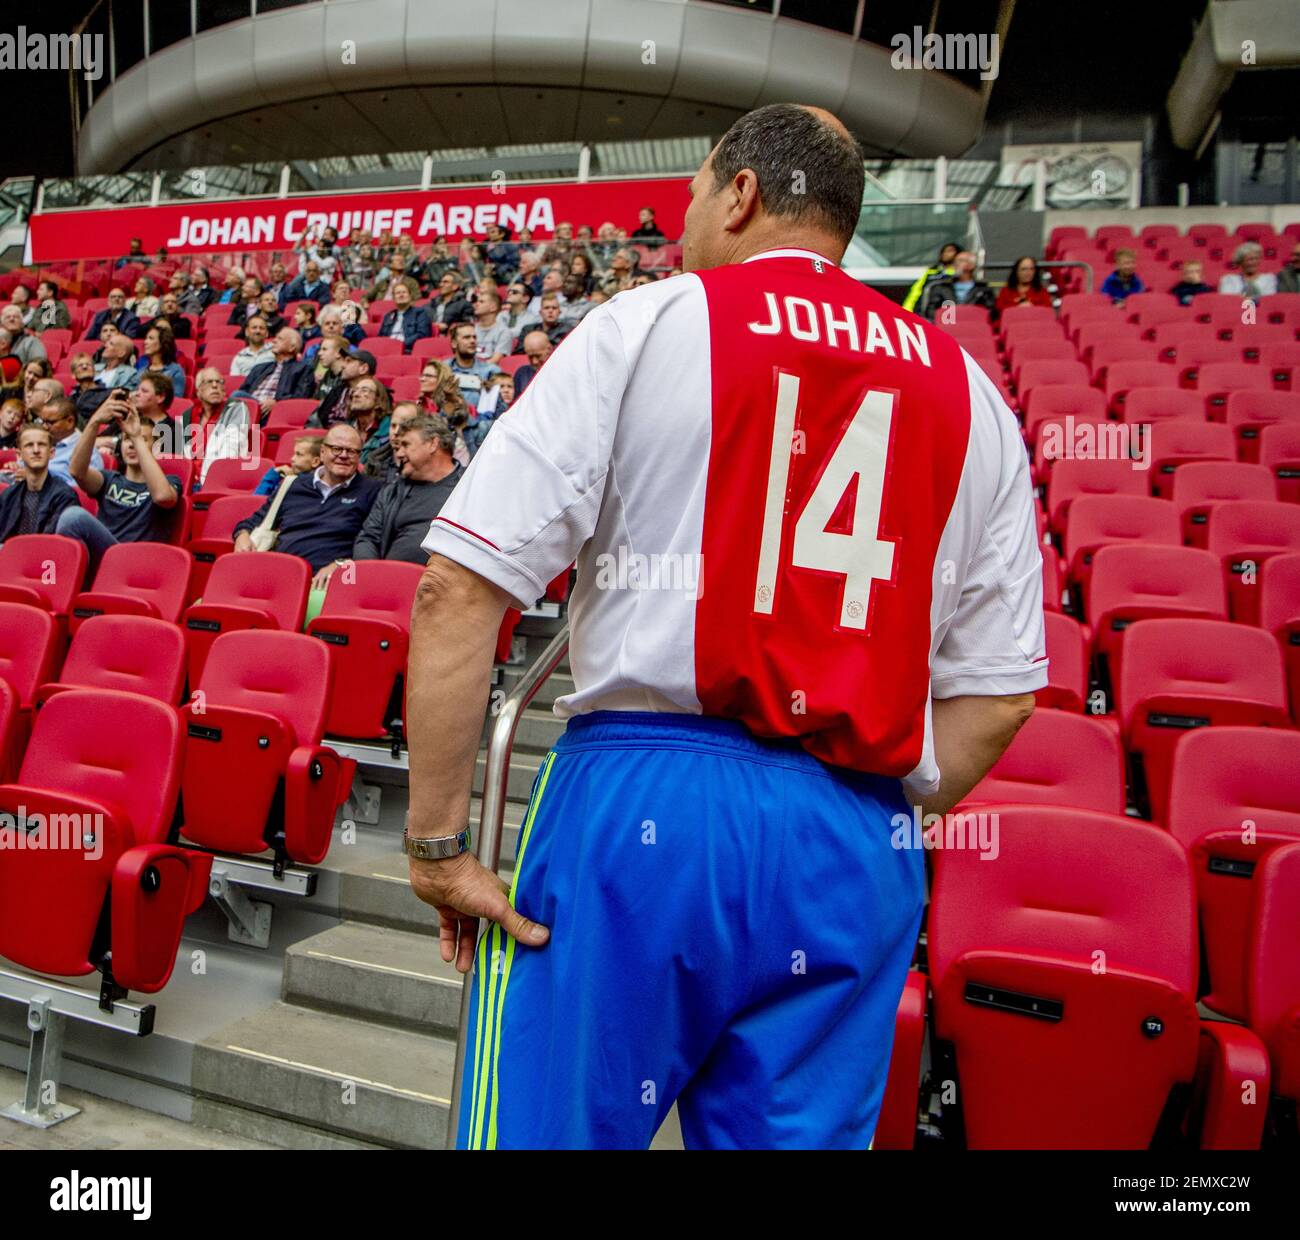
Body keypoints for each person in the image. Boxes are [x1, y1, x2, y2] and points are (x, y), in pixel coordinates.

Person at [405, 102, 1043, 1152]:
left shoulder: (647, 321)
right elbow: (1004, 690)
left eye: (695, 192)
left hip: (646, 797)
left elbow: (458, 585)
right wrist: (862, 812)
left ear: (741, 192)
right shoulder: (973, 393)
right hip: (852, 825)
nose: (685, 218)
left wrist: (436, 841)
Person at [316, 413, 463, 592]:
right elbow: (368, 538)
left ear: (433, 444)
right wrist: (372, 576)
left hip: (444, 593)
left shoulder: (469, 488)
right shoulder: (392, 491)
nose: (399, 454)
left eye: (406, 445)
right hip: (385, 590)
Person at [231, 423, 381, 572]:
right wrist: (242, 535)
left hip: (329, 580)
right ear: (322, 452)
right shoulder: (292, 485)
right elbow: (253, 522)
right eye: (336, 449)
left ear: (359, 457)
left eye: (351, 451)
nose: (343, 455)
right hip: (279, 572)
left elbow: (374, 543)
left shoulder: (372, 490)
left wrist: (342, 564)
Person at [58, 396, 182, 570]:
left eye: (141, 440)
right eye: (126, 439)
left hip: (136, 563)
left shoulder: (171, 481)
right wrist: (94, 422)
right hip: (104, 555)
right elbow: (77, 472)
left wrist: (135, 435)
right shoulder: (109, 479)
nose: (131, 445)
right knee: (69, 517)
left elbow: (162, 497)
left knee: (74, 517)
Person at [0, 423, 80, 539]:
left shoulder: (65, 496)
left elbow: (54, 543)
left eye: (41, 445)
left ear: (51, 453)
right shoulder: (8, 495)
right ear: (19, 455)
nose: (36, 450)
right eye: (29, 445)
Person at [236, 328, 315, 417]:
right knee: (237, 397)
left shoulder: (304, 369)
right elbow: (244, 390)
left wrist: (277, 403)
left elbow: (301, 397)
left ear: (291, 347)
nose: (274, 341)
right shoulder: (259, 368)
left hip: (274, 412)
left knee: (237, 397)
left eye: (280, 339)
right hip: (250, 409)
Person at [920, 250, 997, 320]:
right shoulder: (940, 287)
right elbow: (931, 313)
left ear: (971, 265)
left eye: (960, 261)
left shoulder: (983, 290)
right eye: (955, 261)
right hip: (946, 329)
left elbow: (990, 313)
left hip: (973, 330)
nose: (955, 264)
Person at [446, 323, 501, 409]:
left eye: (474, 337)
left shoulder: (491, 371)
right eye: (467, 337)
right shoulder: (443, 369)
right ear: (454, 343)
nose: (472, 341)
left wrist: (488, 394)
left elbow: (502, 407)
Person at [253, 433, 322, 496]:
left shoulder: (316, 486)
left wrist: (294, 480)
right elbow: (258, 499)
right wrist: (273, 475)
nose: (292, 459)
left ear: (315, 462)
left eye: (299, 454)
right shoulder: (286, 478)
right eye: (294, 454)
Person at [34, 396, 82, 484]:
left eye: (50, 423)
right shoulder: (40, 442)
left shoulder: (85, 451)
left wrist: (37, 479)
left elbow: (81, 490)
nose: (44, 427)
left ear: (70, 422)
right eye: (42, 422)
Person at [378, 280, 433, 353]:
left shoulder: (420, 313)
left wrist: (401, 344)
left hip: (407, 350)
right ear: (394, 298)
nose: (401, 295)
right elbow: (381, 337)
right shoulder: (388, 316)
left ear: (410, 296)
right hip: (387, 349)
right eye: (398, 293)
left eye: (404, 292)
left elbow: (422, 334)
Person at [135, 322, 187, 397]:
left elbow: (176, 400)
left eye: (151, 338)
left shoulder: (175, 371)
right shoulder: (141, 371)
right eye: (146, 338)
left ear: (163, 343)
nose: (145, 342)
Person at [513, 328, 552, 396]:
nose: (535, 362)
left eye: (538, 356)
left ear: (549, 349)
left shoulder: (563, 372)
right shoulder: (521, 374)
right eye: (530, 357)